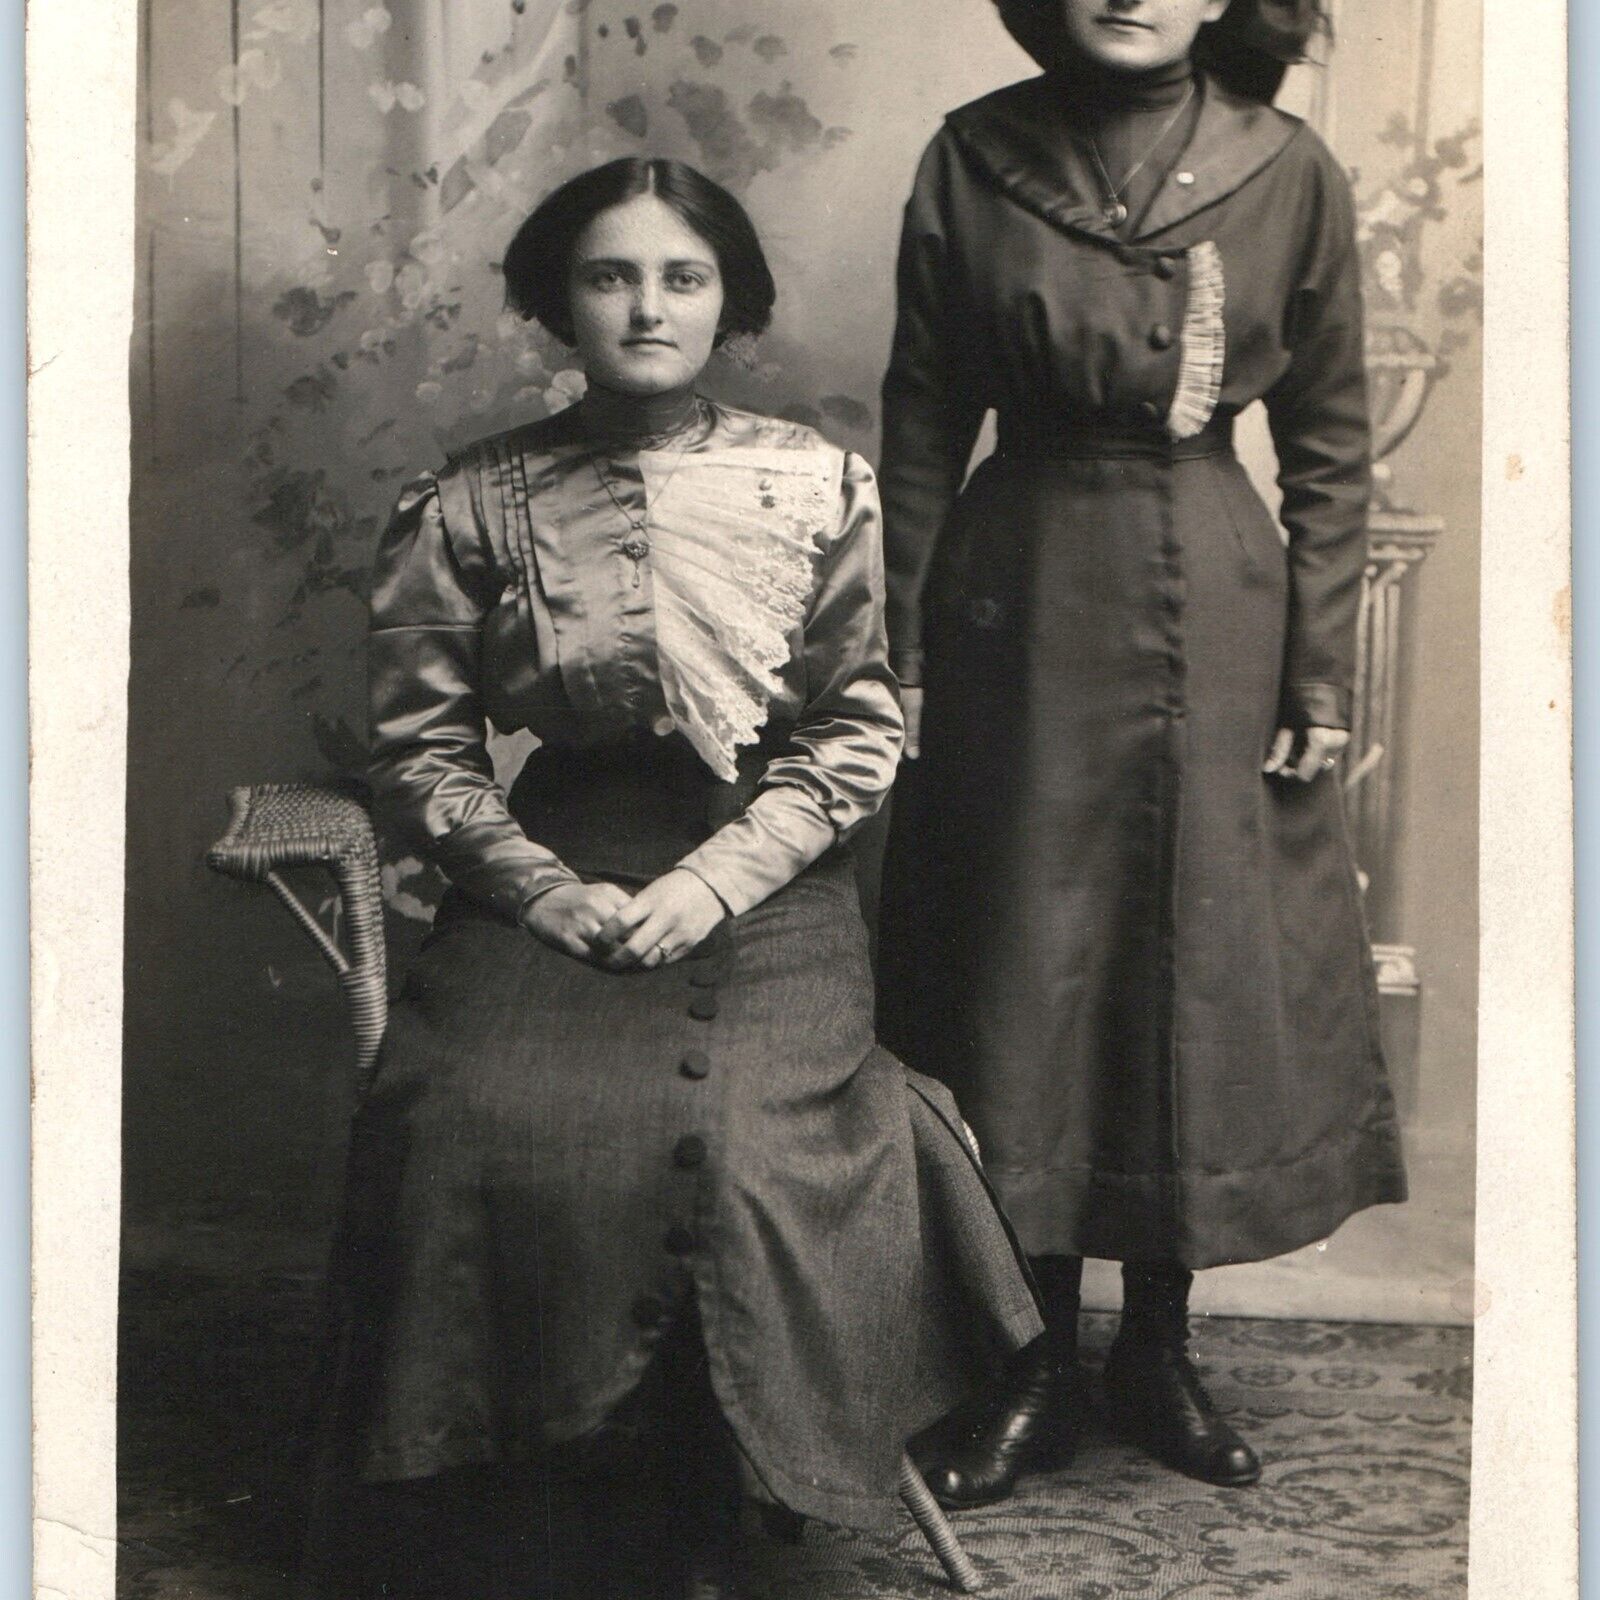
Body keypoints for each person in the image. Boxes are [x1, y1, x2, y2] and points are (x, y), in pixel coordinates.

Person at [306, 156, 1042, 1599]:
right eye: (610, 275)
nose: (647, 308)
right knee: (470, 1114)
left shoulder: (816, 482)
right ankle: (537, 1495)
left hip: (772, 883)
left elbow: (854, 725)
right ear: (556, 299)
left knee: (760, 1144)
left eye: (682, 277)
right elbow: (421, 748)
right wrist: (537, 886)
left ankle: (718, 1489)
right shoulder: (470, 499)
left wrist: (717, 882)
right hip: (557, 863)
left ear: (729, 303)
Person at [874, 0, 1407, 1508]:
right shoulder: (975, 155)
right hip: (1017, 596)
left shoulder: (1287, 166)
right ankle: (1032, 1354)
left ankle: (1156, 1347)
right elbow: (922, 415)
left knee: (1189, 956)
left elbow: (1330, 439)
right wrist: (899, 649)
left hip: (1218, 596)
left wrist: (1317, 666)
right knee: (1025, 957)